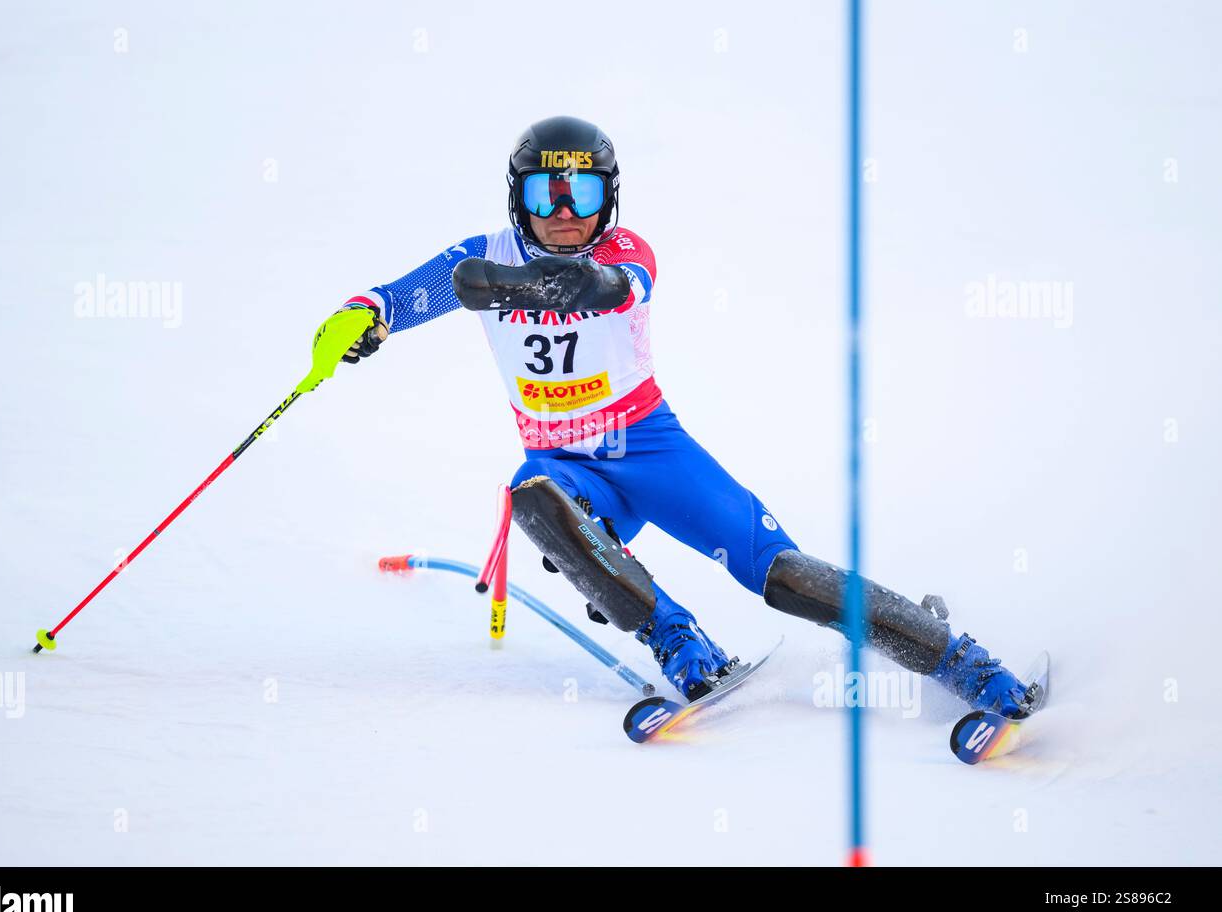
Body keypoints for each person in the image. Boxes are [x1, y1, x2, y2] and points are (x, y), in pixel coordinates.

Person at [330, 115, 1037, 715]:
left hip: (651, 451)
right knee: (534, 497)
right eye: (547, 189)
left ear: (609, 197)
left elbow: (600, 291)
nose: (566, 208)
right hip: (565, 464)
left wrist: (505, 288)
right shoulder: (481, 255)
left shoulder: (625, 251)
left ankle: (965, 664)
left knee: (782, 578)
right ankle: (681, 643)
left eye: (584, 188)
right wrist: (363, 316)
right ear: (519, 197)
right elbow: (401, 297)